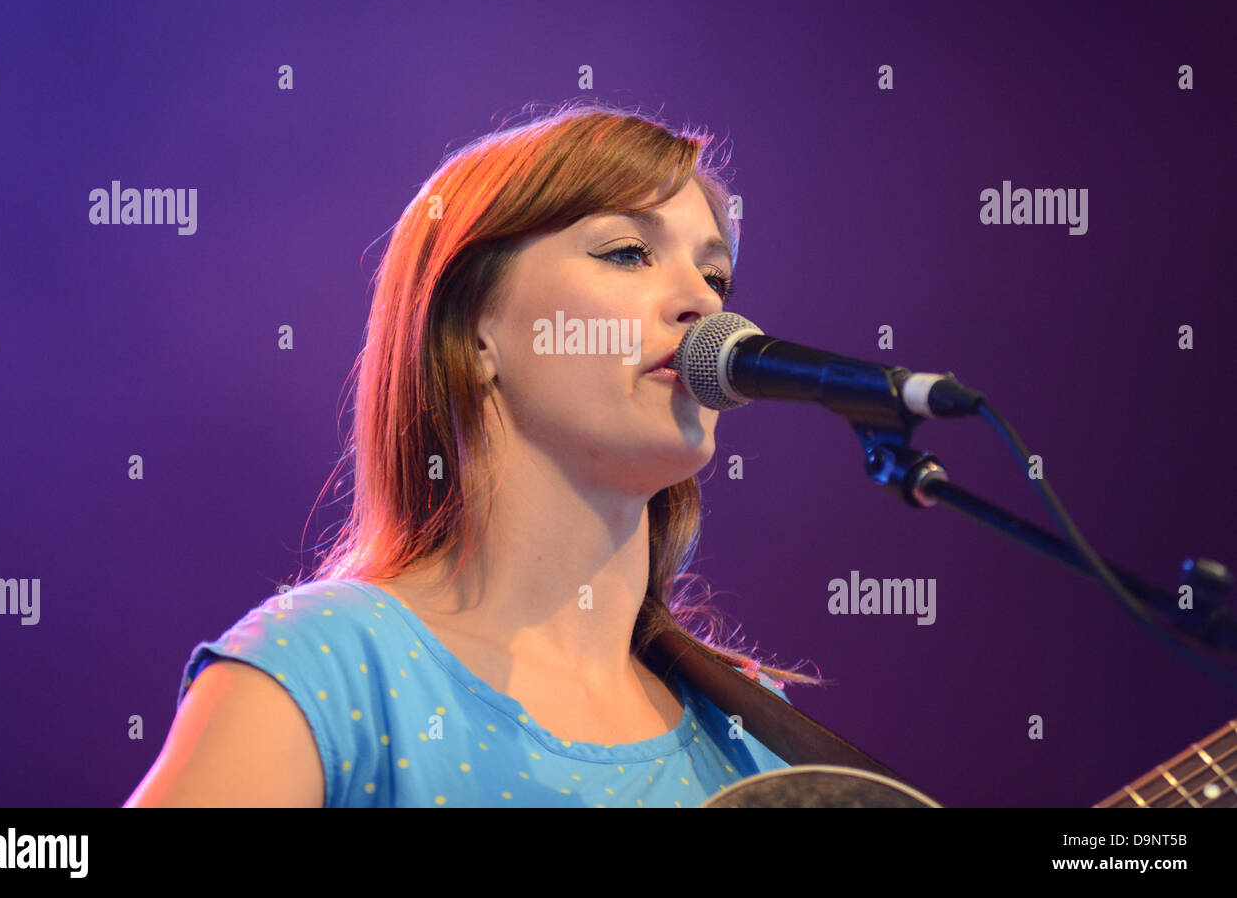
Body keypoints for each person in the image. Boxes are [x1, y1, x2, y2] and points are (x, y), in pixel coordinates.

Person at [125, 99, 822, 808]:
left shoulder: (759, 737)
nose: (704, 305)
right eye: (626, 253)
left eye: (717, 278)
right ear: (476, 330)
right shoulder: (330, 666)